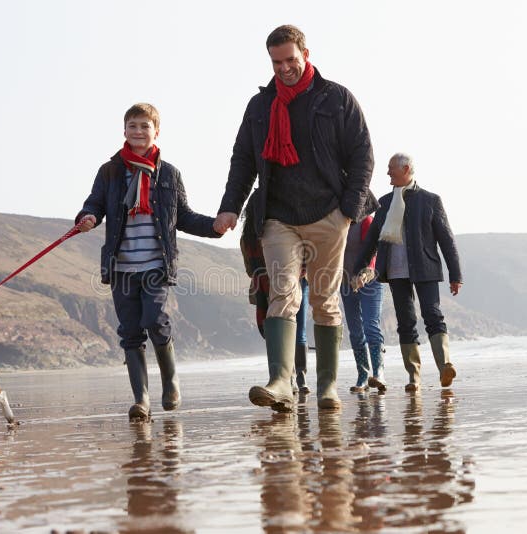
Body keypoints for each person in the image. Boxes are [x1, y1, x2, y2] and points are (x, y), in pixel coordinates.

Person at [214, 25, 374, 411]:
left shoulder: (336, 98)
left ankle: (327, 388)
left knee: (324, 298)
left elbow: (362, 155)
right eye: (276, 61)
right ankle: (281, 382)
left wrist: (347, 213)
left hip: (328, 214)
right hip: (277, 217)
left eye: (290, 60)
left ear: (306, 53)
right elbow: (243, 160)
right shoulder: (260, 107)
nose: (284, 68)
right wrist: (230, 206)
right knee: (282, 293)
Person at [75, 103, 220, 420]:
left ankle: (171, 382)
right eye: (132, 126)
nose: (138, 131)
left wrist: (215, 227)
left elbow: (184, 217)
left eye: (144, 126)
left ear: (156, 131)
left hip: (156, 264)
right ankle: (141, 400)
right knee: (130, 332)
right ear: (124, 130)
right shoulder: (110, 172)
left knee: (155, 319)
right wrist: (87, 217)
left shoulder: (169, 173)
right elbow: (94, 204)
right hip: (121, 267)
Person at [351, 153, 462, 392]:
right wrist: (358, 270)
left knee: (433, 314)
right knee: (406, 322)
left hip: (425, 268)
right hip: (395, 271)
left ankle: (445, 367)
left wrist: (456, 275)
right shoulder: (383, 204)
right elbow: (371, 241)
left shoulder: (430, 200)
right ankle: (414, 376)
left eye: (392, 169)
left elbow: (447, 240)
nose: (388, 173)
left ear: (407, 169)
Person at [240, 195, 311, 394]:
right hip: (295, 280)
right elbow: (304, 258)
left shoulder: (248, 238)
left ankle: (284, 377)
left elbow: (249, 268)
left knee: (274, 329)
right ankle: (300, 378)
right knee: (299, 329)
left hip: (263, 286)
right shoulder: (287, 227)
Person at [340, 209, 387, 393]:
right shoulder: (337, 224)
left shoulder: (366, 220)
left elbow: (373, 251)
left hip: (370, 282)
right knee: (355, 331)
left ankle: (378, 373)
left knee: (371, 326)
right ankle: (363, 375)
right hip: (345, 283)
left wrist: (364, 274)